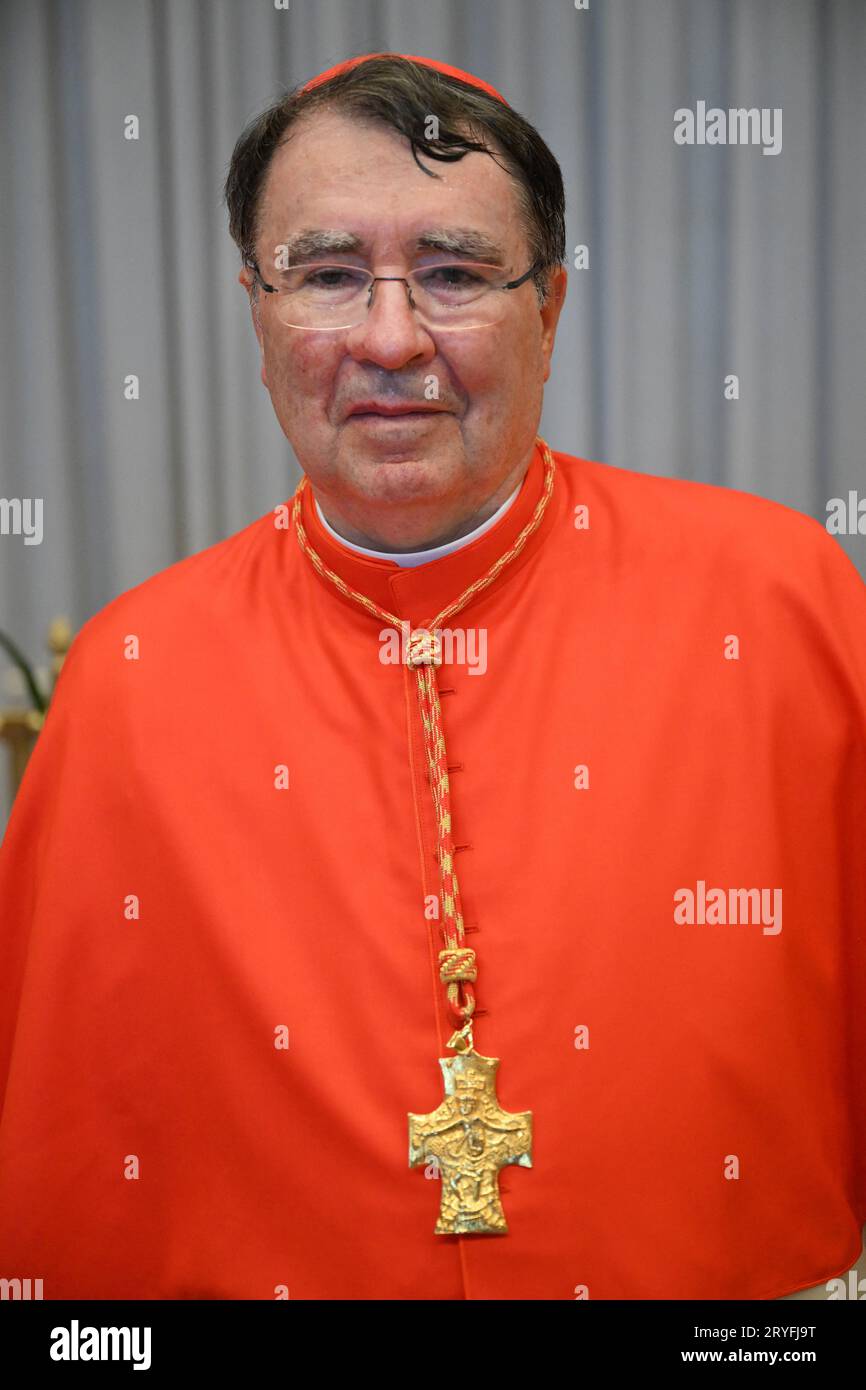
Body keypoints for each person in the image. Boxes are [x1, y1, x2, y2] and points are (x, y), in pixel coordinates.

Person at [0, 51, 864, 1301]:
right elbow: (72, 1161)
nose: (391, 337)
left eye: (453, 274)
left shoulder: (782, 602)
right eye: (328, 275)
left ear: (550, 309)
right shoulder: (134, 674)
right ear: (256, 311)